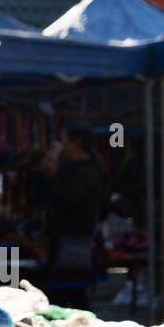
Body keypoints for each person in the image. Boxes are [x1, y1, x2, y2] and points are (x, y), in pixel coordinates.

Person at [40, 123, 108, 295]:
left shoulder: (87, 173)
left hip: (75, 242)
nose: (61, 147)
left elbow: (69, 199)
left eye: (63, 141)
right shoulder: (76, 169)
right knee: (72, 295)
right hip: (68, 242)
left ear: (75, 143)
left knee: (70, 293)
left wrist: (54, 175)